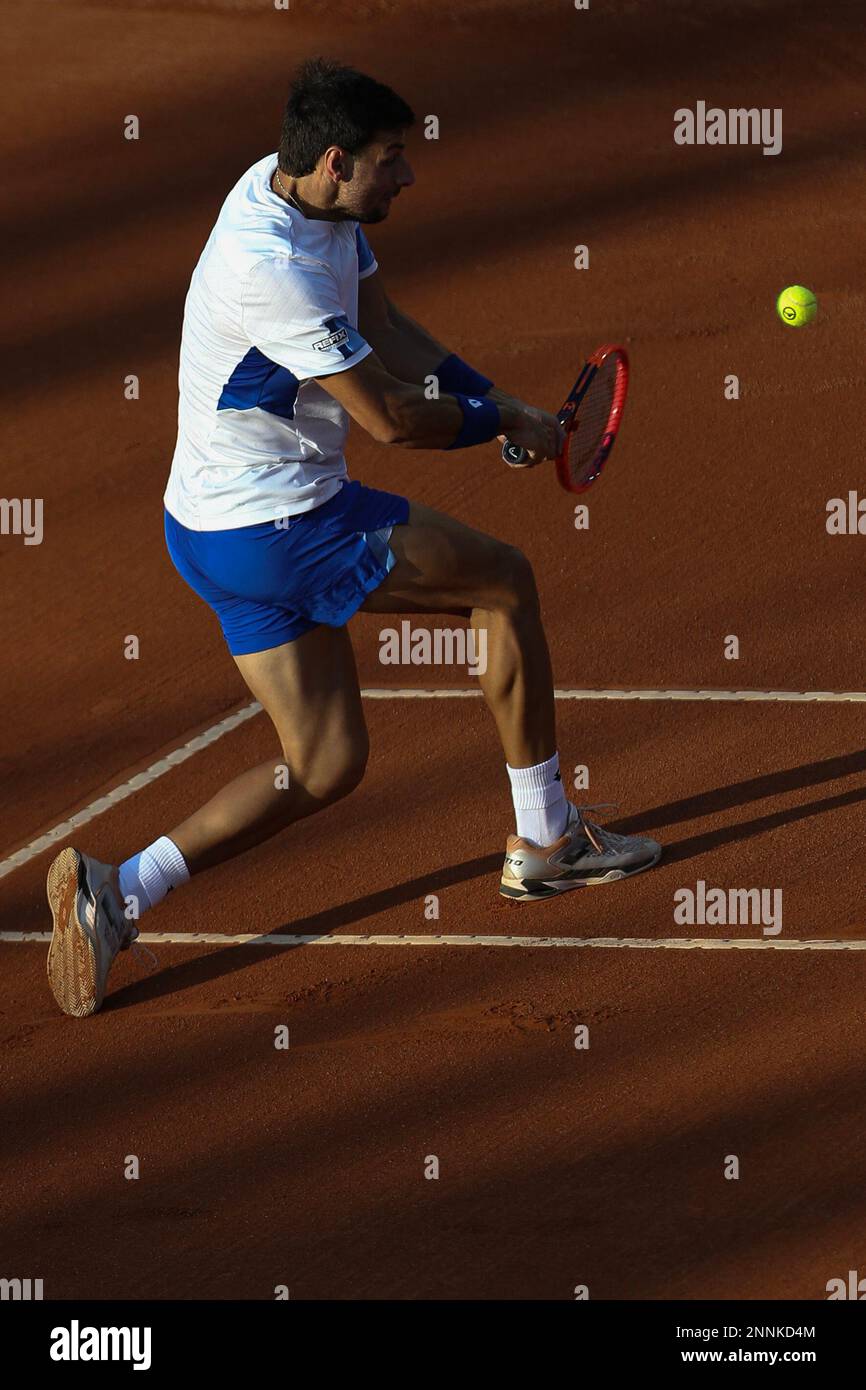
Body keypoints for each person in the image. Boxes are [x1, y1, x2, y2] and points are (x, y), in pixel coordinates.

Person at [46, 58, 661, 1018]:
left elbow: (385, 323)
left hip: (207, 530)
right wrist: (499, 423)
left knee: (325, 762)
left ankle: (119, 890)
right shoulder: (273, 270)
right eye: (392, 160)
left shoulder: (291, 195)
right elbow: (388, 419)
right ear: (336, 161)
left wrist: (498, 398)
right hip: (284, 525)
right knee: (503, 582)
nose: (407, 178)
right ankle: (546, 844)